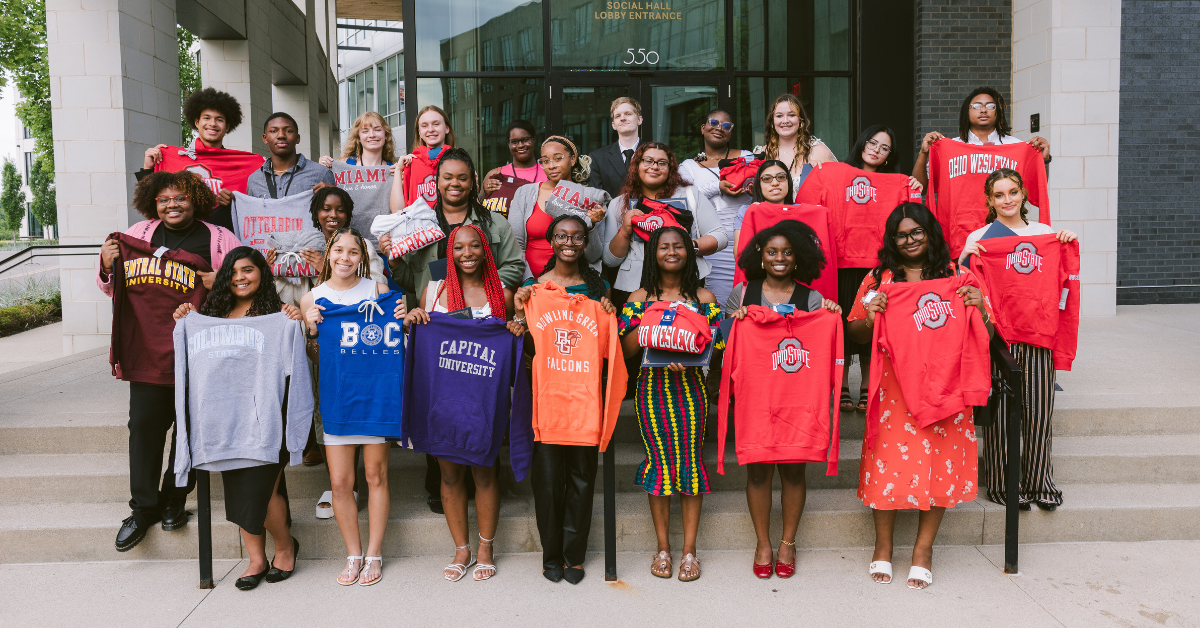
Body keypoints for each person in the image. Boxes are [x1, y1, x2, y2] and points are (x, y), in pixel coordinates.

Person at [845, 203, 994, 590]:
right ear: (891, 240)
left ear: (931, 233)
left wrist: (980, 309)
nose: (909, 240)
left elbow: (988, 333)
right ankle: (883, 546)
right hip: (894, 391)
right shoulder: (880, 278)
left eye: (917, 232)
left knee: (939, 466)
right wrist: (872, 315)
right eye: (901, 235)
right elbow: (855, 331)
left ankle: (923, 551)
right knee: (886, 464)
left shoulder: (959, 276)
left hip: (947, 388)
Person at [97, 170, 241, 552]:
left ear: (196, 199)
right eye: (164, 199)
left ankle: (174, 497)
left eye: (180, 197)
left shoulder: (220, 238)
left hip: (202, 352)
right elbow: (111, 288)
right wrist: (107, 266)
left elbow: (247, 283)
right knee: (144, 427)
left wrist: (222, 281)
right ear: (153, 203)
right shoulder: (137, 235)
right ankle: (143, 509)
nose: (172, 204)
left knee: (190, 430)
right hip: (147, 349)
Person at [391, 147, 523, 515]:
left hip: (482, 319)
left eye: (462, 177)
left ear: (473, 181)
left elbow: (514, 266)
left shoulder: (494, 224)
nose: (455, 183)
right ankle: (441, 480)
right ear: (436, 182)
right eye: (447, 177)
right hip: (438, 318)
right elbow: (409, 279)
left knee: (481, 402)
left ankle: (487, 475)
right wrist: (395, 262)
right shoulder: (419, 222)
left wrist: (482, 283)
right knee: (437, 401)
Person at [172, 247, 304, 590]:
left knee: (262, 490)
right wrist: (185, 318)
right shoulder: (210, 315)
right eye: (232, 272)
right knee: (238, 489)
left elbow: (294, 363)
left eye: (247, 270)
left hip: (267, 417)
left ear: (262, 272)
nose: (240, 278)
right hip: (225, 418)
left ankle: (285, 547)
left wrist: (297, 322)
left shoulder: (278, 314)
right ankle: (256, 559)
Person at [403, 224, 521, 582]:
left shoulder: (502, 293)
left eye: (474, 246)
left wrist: (517, 327)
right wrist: (414, 318)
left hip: (483, 401)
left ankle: (485, 547)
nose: (466, 253)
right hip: (443, 398)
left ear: (486, 250)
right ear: (449, 253)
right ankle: (462, 549)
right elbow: (421, 334)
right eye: (458, 247)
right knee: (449, 474)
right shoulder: (434, 290)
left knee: (484, 472)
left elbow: (510, 341)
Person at [724, 220, 841, 579]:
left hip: (798, 402)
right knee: (758, 472)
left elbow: (823, 343)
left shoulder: (813, 300)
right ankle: (763, 543)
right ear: (760, 256)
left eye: (788, 252)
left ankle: (788, 542)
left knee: (793, 471)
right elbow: (728, 348)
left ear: (798, 257)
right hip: (757, 400)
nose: (779, 258)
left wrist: (830, 316)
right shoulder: (742, 294)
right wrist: (735, 322)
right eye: (772, 251)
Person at [959, 168, 1078, 512]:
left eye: (1012, 192)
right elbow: (961, 281)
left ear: (1023, 194)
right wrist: (965, 254)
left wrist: (1066, 241)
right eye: (999, 195)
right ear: (990, 200)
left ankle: (1040, 482)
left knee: (1039, 413)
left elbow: (1063, 277)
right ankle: (1002, 484)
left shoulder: (1044, 233)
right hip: (998, 338)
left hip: (1038, 333)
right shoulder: (981, 237)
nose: (1007, 200)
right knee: (999, 417)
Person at [299, 228, 406, 586]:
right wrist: (312, 331)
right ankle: (353, 553)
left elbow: (398, 335)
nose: (345, 258)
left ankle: (374, 553)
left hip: (376, 396)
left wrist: (402, 313)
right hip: (338, 398)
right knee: (340, 483)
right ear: (329, 253)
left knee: (376, 476)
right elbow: (315, 356)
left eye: (353, 252)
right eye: (339, 250)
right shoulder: (312, 297)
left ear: (363, 258)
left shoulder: (378, 291)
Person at [513, 214, 614, 584]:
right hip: (548, 401)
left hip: (585, 400)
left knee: (582, 480)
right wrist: (519, 313)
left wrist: (610, 314)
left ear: (585, 243)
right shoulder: (533, 289)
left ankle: (575, 556)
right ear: (550, 241)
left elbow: (607, 344)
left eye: (577, 237)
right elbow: (528, 347)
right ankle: (550, 555)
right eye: (561, 236)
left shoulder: (598, 287)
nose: (569, 243)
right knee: (548, 482)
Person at [618, 226, 723, 582]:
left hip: (691, 391)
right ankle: (662, 548)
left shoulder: (704, 298)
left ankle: (689, 551)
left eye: (679, 246)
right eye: (664, 247)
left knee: (690, 463)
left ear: (689, 252)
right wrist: (653, 323)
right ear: (653, 254)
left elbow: (717, 349)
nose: (672, 252)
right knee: (660, 464)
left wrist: (689, 350)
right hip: (651, 392)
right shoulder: (640, 297)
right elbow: (625, 350)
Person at [839, 125, 925, 412]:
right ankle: (843, 384)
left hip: (879, 264)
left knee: (873, 319)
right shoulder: (838, 175)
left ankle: (866, 384)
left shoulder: (897, 183)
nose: (876, 150)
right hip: (843, 261)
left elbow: (914, 212)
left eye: (884, 147)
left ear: (890, 156)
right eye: (872, 143)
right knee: (844, 321)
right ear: (862, 143)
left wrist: (914, 187)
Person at [602, 142, 728, 306]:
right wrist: (625, 230)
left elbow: (720, 236)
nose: (654, 166)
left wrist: (689, 246)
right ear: (637, 165)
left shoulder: (691, 195)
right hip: (634, 288)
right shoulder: (619, 204)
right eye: (648, 160)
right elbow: (610, 260)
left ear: (671, 168)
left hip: (687, 286)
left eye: (662, 163)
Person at [139, 88, 247, 229]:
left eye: (219, 119)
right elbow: (150, 199)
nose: (212, 124)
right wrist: (148, 169)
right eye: (206, 118)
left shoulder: (240, 164)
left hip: (221, 233)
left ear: (227, 127)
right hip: (179, 234)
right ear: (196, 122)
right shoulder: (174, 157)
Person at [678, 109, 755, 305]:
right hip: (711, 244)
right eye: (714, 122)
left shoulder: (747, 157)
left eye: (726, 126)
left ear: (731, 133)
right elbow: (687, 201)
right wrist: (717, 187)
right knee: (717, 303)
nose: (719, 128)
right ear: (703, 128)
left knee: (746, 302)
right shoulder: (688, 166)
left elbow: (763, 190)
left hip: (745, 238)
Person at [911, 87, 1052, 188]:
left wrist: (1044, 161)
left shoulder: (1016, 146)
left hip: (1003, 220)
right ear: (966, 111)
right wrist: (923, 153)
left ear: (998, 112)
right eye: (977, 106)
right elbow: (920, 187)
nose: (984, 110)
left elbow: (1036, 188)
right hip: (960, 220)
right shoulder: (949, 148)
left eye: (990, 106)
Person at [507, 136, 606, 278]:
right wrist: (529, 281)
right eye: (545, 161)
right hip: (531, 283)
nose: (551, 166)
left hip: (574, 283)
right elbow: (516, 246)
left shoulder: (589, 198)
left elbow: (594, 256)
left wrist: (591, 226)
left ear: (572, 159)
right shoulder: (525, 194)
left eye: (558, 158)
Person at [754, 93, 838, 194]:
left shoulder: (818, 151)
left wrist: (821, 173)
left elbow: (838, 190)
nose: (785, 121)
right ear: (772, 121)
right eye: (779, 116)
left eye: (792, 115)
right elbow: (752, 195)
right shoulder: (760, 155)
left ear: (800, 119)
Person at [246, 112, 336, 199]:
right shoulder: (254, 180)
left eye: (288, 131)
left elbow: (337, 206)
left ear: (297, 138)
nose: (281, 135)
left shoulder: (321, 173)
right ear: (265, 139)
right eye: (274, 131)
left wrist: (336, 192)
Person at [392, 105, 456, 207]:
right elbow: (398, 210)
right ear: (420, 132)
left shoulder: (459, 161)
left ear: (447, 128)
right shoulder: (410, 163)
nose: (430, 129)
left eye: (436, 124)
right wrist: (398, 171)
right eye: (424, 126)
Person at [732, 160, 794, 255]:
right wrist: (753, 216)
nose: (775, 183)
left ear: (788, 181)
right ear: (759, 184)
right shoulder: (746, 211)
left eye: (781, 177)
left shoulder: (802, 211)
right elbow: (739, 254)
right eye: (767, 179)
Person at [588, 97, 644, 198]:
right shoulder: (597, 158)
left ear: (639, 120)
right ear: (613, 125)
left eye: (628, 114)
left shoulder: (655, 153)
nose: (622, 118)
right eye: (618, 116)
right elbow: (596, 199)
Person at [482, 119, 547, 197]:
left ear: (534, 139)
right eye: (514, 142)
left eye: (525, 140)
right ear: (508, 144)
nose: (520, 145)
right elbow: (478, 204)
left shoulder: (549, 173)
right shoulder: (496, 175)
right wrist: (486, 193)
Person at [318, 111, 397, 168]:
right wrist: (322, 167)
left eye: (377, 130)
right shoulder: (343, 165)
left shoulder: (394, 171)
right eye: (365, 131)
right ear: (358, 137)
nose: (372, 135)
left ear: (386, 135)